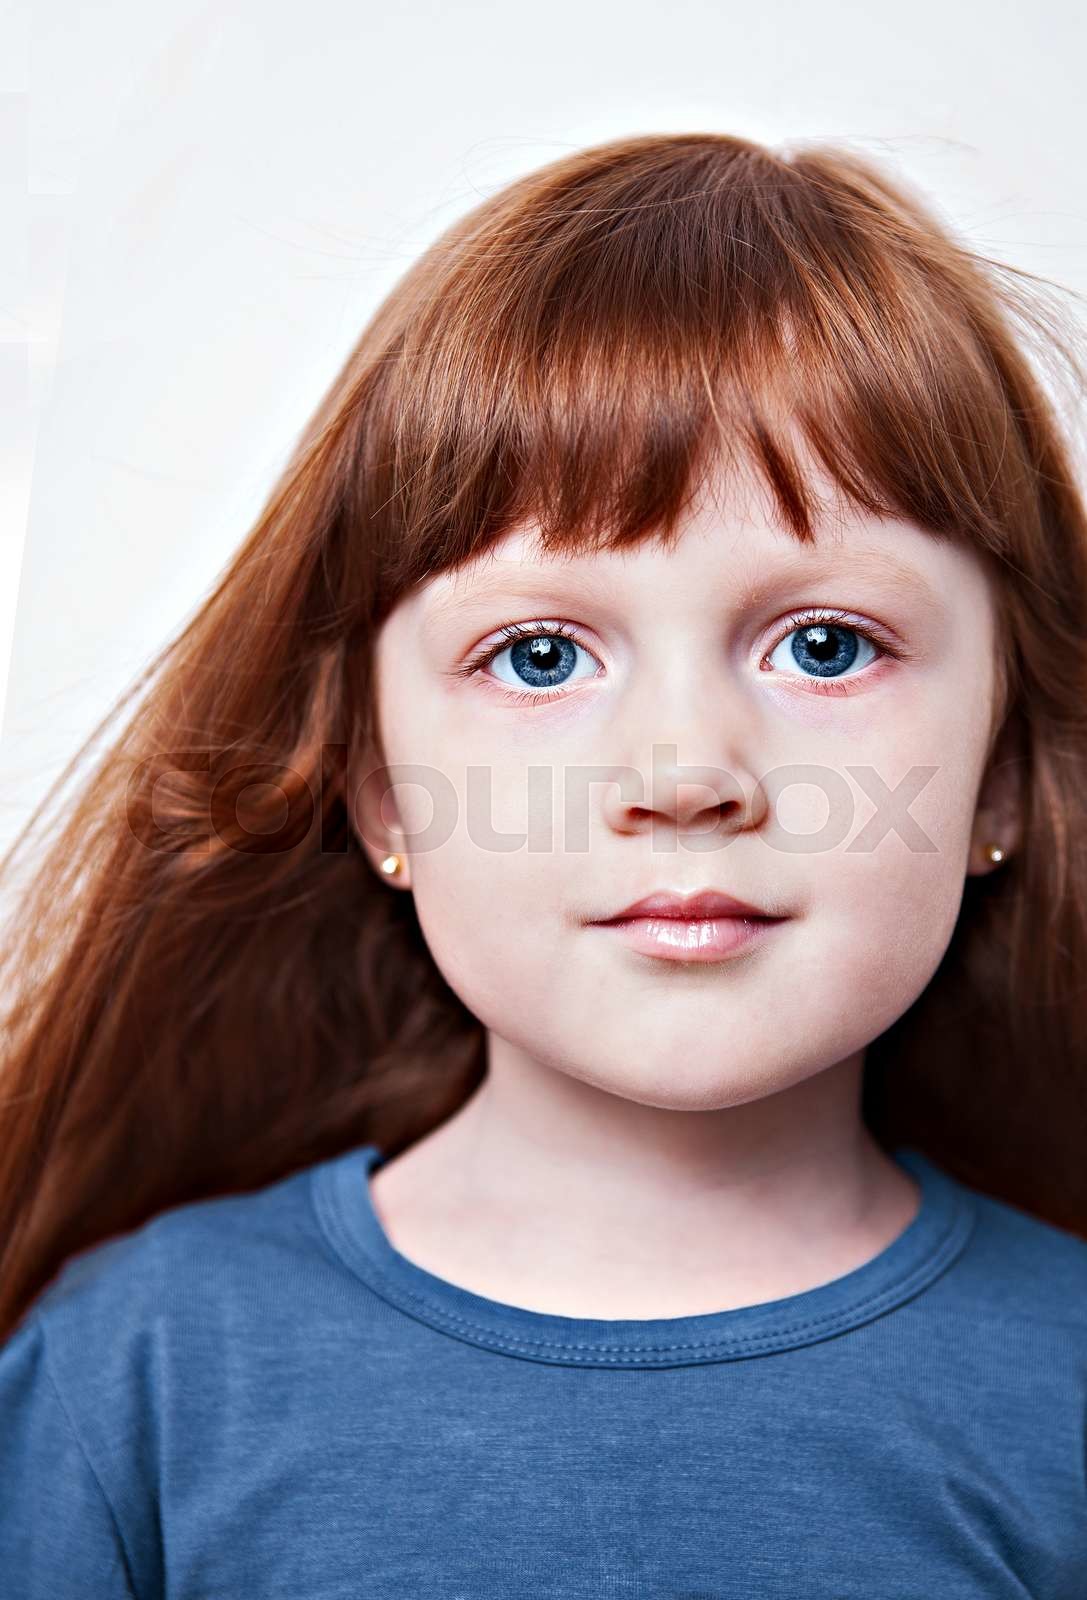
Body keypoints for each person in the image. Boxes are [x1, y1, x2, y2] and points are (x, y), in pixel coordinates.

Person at [0, 131, 1085, 1597]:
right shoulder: (132, 1380)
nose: (686, 774)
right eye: (539, 653)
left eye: (825, 646)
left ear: (1002, 776)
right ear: (380, 790)